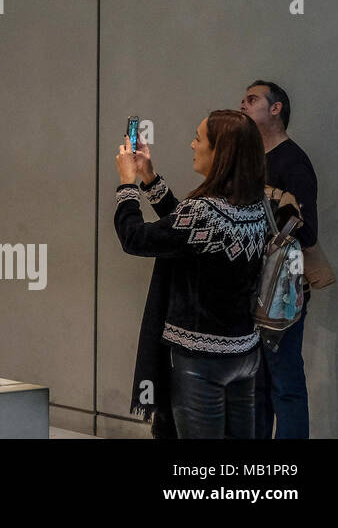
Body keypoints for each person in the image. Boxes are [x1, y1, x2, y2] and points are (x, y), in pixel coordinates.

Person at [115, 110, 268, 438]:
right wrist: (149, 178)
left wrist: (127, 184)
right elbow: (188, 235)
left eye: (199, 139)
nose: (192, 144)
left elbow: (136, 238)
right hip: (245, 353)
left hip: (200, 359)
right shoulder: (256, 206)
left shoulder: (203, 214)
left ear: (219, 154)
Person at [240, 80, 316, 439]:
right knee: (256, 385)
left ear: (276, 109)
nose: (243, 103)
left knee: (285, 383)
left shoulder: (294, 162)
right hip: (252, 288)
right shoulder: (252, 159)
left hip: (283, 292)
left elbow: (308, 232)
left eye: (252, 99)